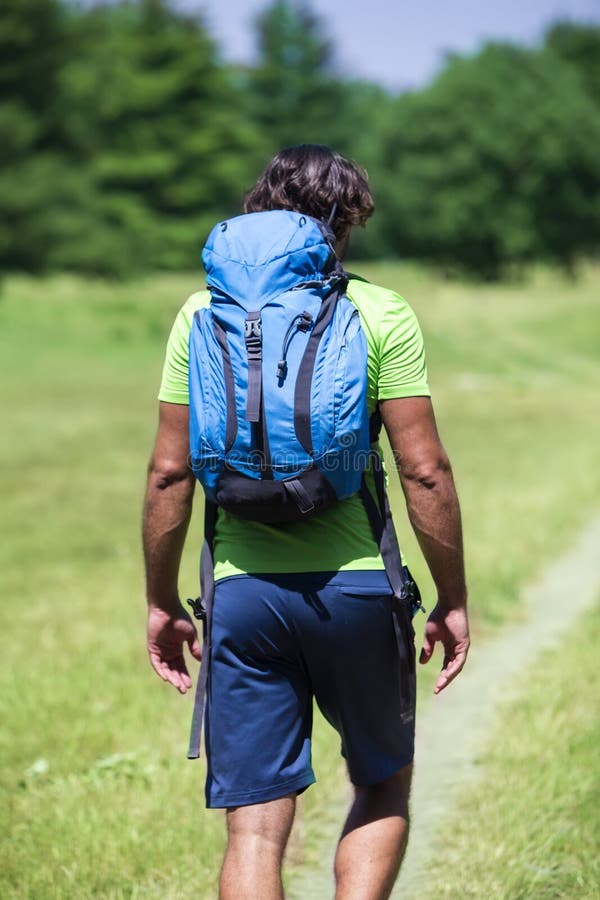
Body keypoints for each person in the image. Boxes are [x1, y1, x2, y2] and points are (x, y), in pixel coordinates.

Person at [143, 144, 469, 900]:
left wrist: (161, 600)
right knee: (382, 785)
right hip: (358, 592)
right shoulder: (378, 310)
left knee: (255, 826)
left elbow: (168, 472)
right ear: (344, 224)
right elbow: (425, 470)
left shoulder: (200, 314)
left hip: (243, 597)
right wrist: (452, 597)